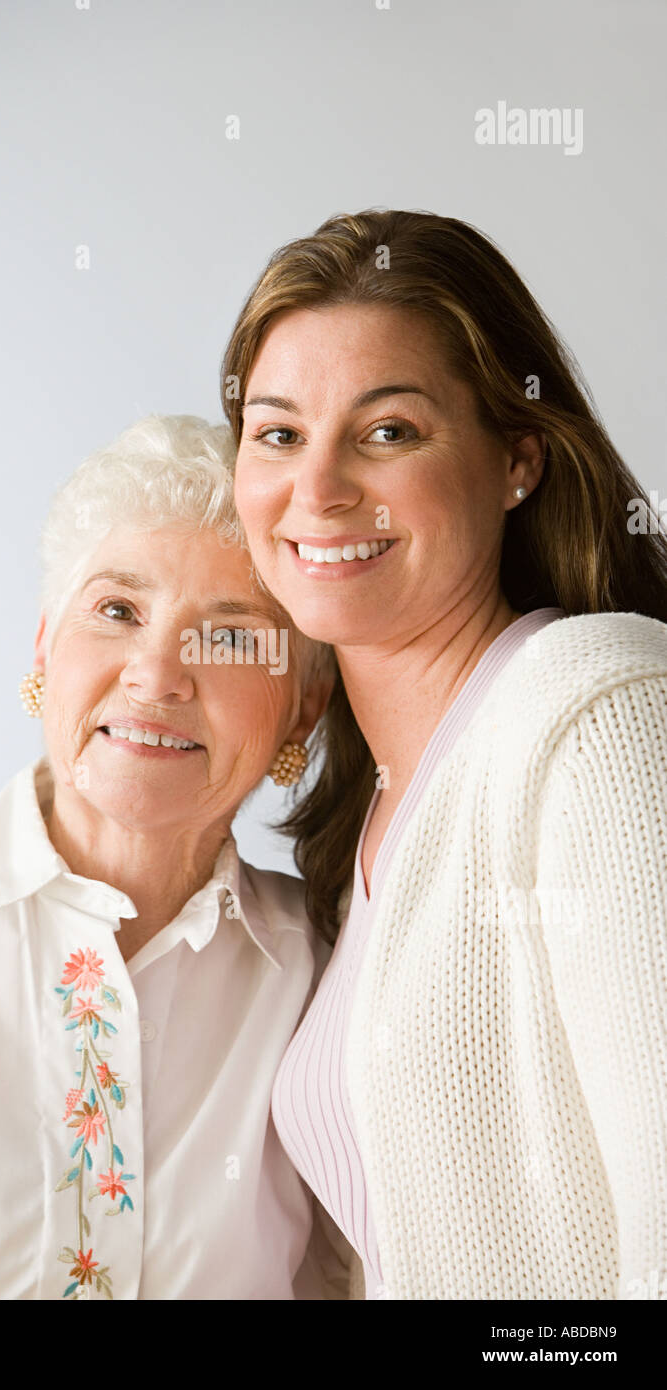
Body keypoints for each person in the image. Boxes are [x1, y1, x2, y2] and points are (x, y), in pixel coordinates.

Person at [0, 413, 350, 1300]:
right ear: (44, 649)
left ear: (304, 710)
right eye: (118, 611)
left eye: (231, 635)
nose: (156, 674)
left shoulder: (331, 975)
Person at [222, 208, 667, 1299]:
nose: (316, 489)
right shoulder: (361, 830)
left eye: (386, 432)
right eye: (277, 433)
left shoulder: (597, 707)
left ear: (515, 458)